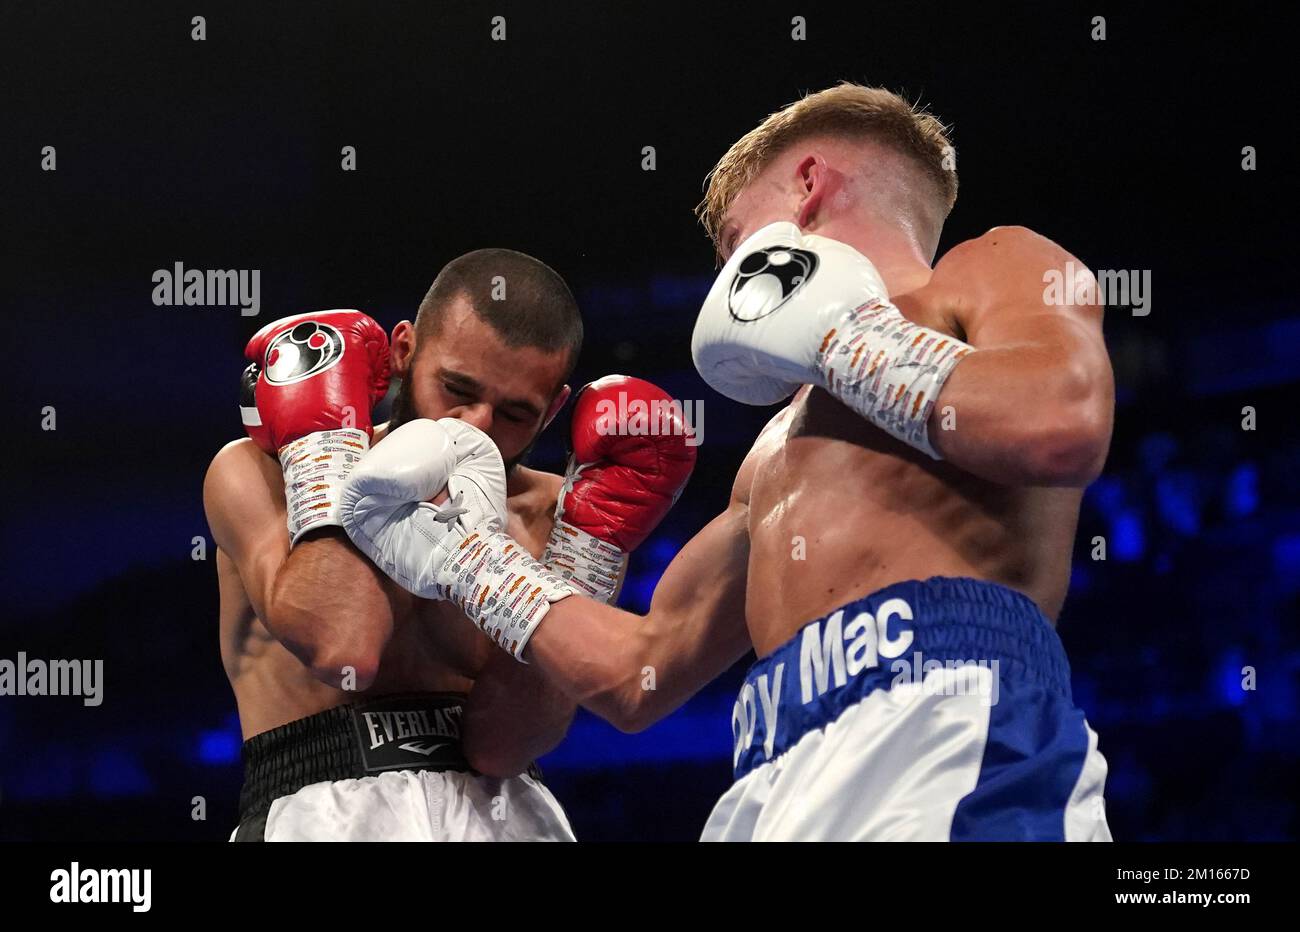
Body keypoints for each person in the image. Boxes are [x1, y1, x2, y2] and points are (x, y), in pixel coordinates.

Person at [341, 84, 1114, 841]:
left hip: (950, 722)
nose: (729, 283)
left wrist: (843, 335)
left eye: (737, 245)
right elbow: (637, 675)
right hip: (777, 771)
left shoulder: (994, 266)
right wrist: (469, 561)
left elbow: (1062, 422)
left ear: (808, 188)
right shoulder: (773, 458)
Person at [203, 248, 694, 840]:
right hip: (317, 808)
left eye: (516, 412)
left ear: (554, 409)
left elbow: (504, 746)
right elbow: (341, 645)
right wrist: (328, 457)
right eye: (457, 388)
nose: (476, 425)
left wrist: (586, 552)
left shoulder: (561, 514)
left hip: (501, 814)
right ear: (404, 352)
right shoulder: (266, 472)